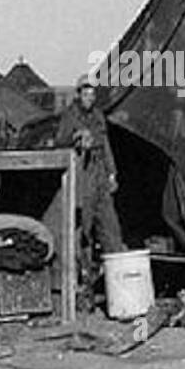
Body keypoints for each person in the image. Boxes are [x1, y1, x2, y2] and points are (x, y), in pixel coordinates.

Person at [55, 75, 124, 287]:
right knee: (83, 230)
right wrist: (76, 137)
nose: (89, 97)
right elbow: (60, 141)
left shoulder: (98, 116)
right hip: (81, 174)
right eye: (85, 93)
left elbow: (106, 146)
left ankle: (116, 279)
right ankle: (83, 279)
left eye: (92, 94)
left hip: (99, 173)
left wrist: (112, 173)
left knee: (109, 225)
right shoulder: (69, 115)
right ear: (78, 94)